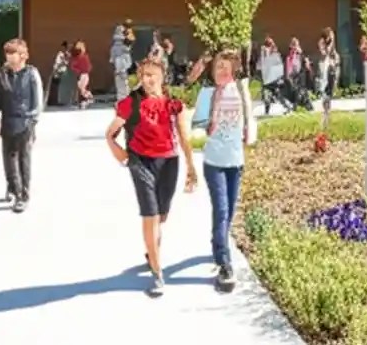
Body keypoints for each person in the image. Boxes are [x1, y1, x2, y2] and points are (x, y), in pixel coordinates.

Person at [104, 58, 197, 297]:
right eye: (143, 75)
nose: (147, 80)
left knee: (161, 216)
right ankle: (157, 272)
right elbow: (110, 133)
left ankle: (151, 250)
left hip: (168, 162)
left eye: (152, 75)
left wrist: (191, 167)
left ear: (162, 76)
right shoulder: (130, 103)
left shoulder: (172, 103)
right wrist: (121, 155)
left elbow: (184, 136)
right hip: (141, 162)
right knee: (150, 216)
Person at [200, 49, 251, 290]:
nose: (221, 71)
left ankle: (217, 241)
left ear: (233, 69)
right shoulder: (208, 94)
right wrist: (205, 123)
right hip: (214, 161)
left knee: (229, 211)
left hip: (235, 160)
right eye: (218, 66)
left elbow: (250, 119)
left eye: (226, 66)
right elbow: (196, 121)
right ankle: (224, 263)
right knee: (220, 210)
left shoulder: (241, 89)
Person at [0, 38, 44, 213]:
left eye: (12, 53)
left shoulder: (31, 73)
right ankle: (12, 187)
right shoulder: (3, 74)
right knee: (8, 160)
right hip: (7, 121)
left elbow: (38, 101)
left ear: (22, 55)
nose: (8, 56)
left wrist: (33, 120)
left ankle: (23, 195)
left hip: (25, 122)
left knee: (24, 160)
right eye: (7, 53)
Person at [315, 31, 340, 129]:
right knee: (325, 100)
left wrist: (332, 37)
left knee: (327, 99)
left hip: (328, 78)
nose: (321, 49)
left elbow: (331, 50)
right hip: (324, 78)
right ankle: (325, 119)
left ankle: (326, 119)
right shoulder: (325, 56)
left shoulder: (331, 55)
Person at [257, 36, 285, 115]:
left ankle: (287, 107)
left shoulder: (275, 54)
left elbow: (280, 66)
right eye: (266, 45)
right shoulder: (263, 56)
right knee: (267, 96)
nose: (266, 48)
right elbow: (259, 66)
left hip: (274, 79)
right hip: (267, 80)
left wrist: (279, 77)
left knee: (278, 95)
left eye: (268, 46)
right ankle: (267, 112)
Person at [109, 27, 133, 101]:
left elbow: (112, 60)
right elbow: (129, 62)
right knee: (126, 88)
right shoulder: (125, 48)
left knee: (120, 89)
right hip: (124, 71)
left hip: (118, 71)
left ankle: (122, 103)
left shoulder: (113, 48)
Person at [70, 40, 93, 108]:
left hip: (82, 75)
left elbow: (73, 66)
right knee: (81, 88)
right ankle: (85, 99)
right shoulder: (84, 57)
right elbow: (89, 67)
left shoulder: (80, 58)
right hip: (83, 74)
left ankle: (87, 98)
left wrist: (77, 70)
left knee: (82, 88)